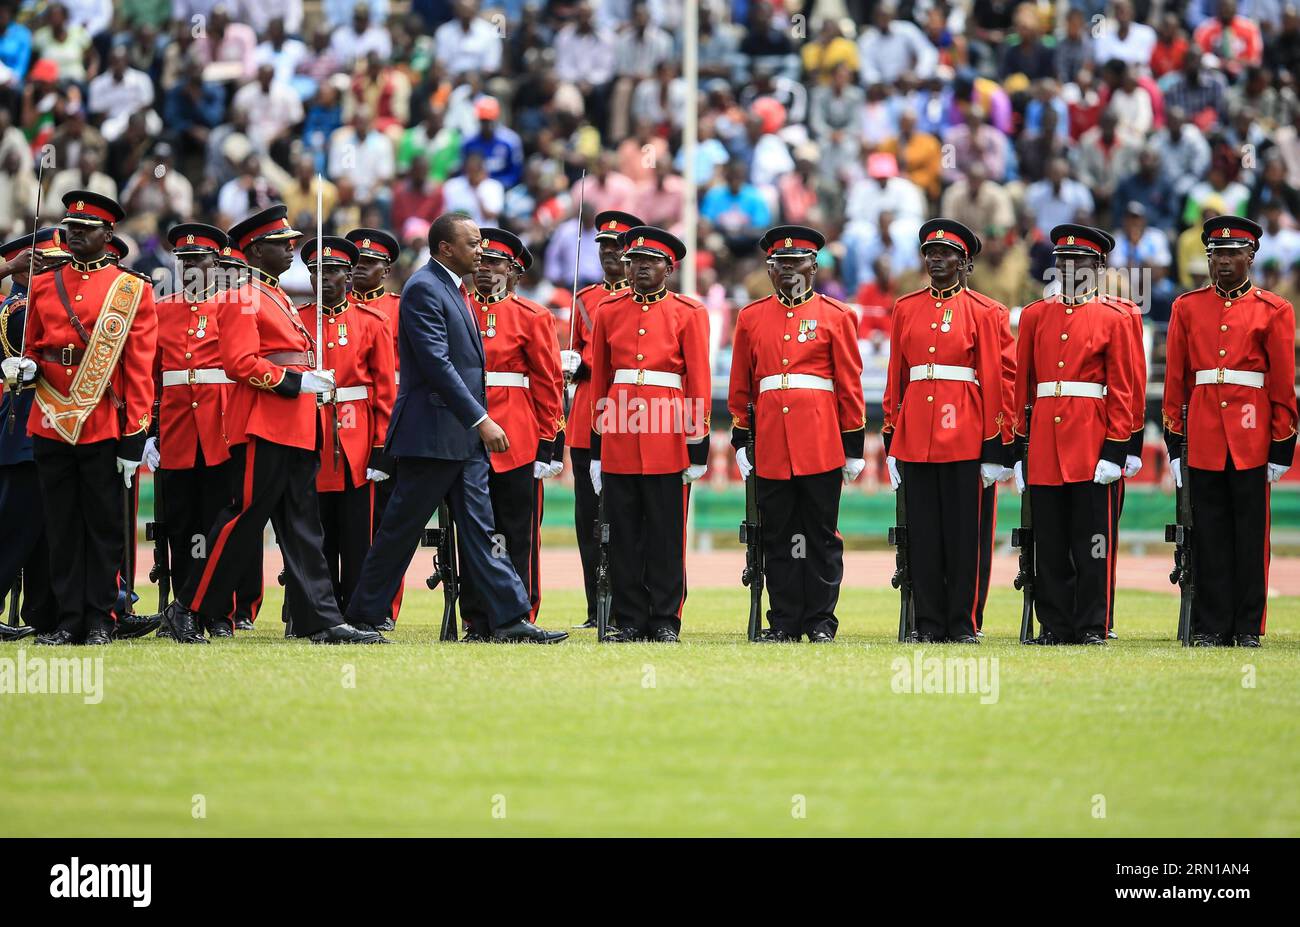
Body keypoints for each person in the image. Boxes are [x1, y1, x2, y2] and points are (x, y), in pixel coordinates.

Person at [156, 204, 386, 645]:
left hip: (295, 424)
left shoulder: (275, 293)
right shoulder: (242, 296)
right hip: (265, 423)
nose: (292, 249)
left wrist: (305, 384)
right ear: (257, 251)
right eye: (283, 244)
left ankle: (320, 617)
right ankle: (185, 607)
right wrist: (296, 382)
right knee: (240, 519)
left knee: (302, 527)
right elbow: (239, 362)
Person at [344, 212, 567, 644]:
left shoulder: (450, 288)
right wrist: (481, 420)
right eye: (472, 243)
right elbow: (436, 364)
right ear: (446, 248)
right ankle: (363, 615)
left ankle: (509, 618)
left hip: (458, 439)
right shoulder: (425, 288)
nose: (480, 251)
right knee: (401, 530)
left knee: (481, 532)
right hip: (432, 436)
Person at [3, 192, 159, 646]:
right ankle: (68, 619)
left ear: (107, 235)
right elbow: (33, 347)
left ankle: (100, 619)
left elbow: (138, 368)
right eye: (70, 226)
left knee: (103, 525)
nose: (75, 234)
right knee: (61, 525)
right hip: (50, 415)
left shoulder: (132, 289)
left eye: (86, 228)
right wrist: (26, 367)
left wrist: (134, 438)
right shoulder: (43, 284)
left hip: (101, 418)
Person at [1163, 216, 1297, 647]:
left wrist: (1281, 445)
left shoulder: (1274, 310)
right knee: (1210, 534)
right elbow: (1177, 382)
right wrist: (1174, 441)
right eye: (1215, 254)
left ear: (1250, 256)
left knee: (1250, 535)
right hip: (1202, 436)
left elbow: (1282, 383)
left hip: (1251, 436)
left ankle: (1246, 626)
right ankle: (1211, 624)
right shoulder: (1187, 307)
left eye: (1231, 254)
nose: (1222, 262)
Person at [728, 225, 866, 643]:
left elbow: (849, 384)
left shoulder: (836, 316)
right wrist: (740, 438)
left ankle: (821, 621)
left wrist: (853, 446)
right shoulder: (751, 318)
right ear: (770, 269)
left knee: (819, 537)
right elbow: (741, 385)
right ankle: (784, 621)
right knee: (780, 538)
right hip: (771, 445)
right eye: (780, 264)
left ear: (814, 265)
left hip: (820, 445)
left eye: (796, 262)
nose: (788, 270)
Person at [882, 220, 1011, 644]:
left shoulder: (986, 312)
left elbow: (996, 378)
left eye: (946, 253)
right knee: (924, 534)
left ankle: (963, 621)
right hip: (916, 434)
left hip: (967, 435)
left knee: (965, 535)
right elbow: (897, 377)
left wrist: (996, 445)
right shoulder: (906, 307)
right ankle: (928, 621)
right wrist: (891, 436)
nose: (936, 259)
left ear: (965, 261)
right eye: (930, 253)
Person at [1011, 224, 1137, 646]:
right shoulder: (1034, 316)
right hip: (1046, 440)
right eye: (1062, 261)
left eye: (1078, 261)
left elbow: (1123, 388)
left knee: (1093, 542)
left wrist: (1116, 449)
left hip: (1091, 438)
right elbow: (1023, 389)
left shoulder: (1117, 316)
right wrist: (1019, 450)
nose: (1068, 268)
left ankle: (1091, 624)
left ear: (1097, 266)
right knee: (1049, 541)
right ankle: (1056, 624)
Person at [588, 226, 710, 643]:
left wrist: (697, 445)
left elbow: (698, 380)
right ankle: (629, 619)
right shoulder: (608, 309)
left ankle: (663, 619)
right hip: (620, 430)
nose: (639, 268)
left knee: (664, 533)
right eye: (634, 262)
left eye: (649, 262)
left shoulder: (689, 313)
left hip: (666, 431)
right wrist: (598, 448)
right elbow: (601, 379)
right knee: (623, 533)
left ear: (668, 268)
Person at [145, 223, 264, 637]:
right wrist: (149, 430)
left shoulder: (235, 305)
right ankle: (183, 609)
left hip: (222, 429)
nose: (191, 265)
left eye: (200, 259)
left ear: (217, 263)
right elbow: (153, 375)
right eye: (184, 260)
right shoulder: (164, 308)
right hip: (177, 431)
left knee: (219, 525)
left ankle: (219, 613)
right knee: (182, 525)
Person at [462, 227, 563, 638]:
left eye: (496, 263)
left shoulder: (533, 316)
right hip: (466, 436)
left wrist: (547, 442)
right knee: (472, 532)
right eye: (481, 261)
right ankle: (477, 617)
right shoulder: (457, 308)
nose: (486, 270)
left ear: (515, 272)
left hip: (517, 438)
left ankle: (520, 612)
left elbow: (548, 383)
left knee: (515, 532)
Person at [295, 235, 396, 617]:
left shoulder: (372, 321)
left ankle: (359, 611)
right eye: (317, 271)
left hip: (355, 438)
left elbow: (385, 390)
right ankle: (312, 612)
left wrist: (381, 446)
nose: (325, 278)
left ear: (349, 275)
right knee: (312, 533)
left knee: (358, 536)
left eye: (334, 271)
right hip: (309, 435)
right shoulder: (297, 318)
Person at [560, 209, 639, 630]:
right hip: (587, 413)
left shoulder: (642, 299)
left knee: (625, 514)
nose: (610, 255)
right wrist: (569, 363)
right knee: (589, 518)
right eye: (605, 248)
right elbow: (570, 359)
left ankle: (628, 604)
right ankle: (596, 607)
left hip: (627, 412)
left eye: (618, 248)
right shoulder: (585, 300)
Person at [0, 227, 69, 641]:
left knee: (46, 531)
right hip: (24, 431)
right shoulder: (22, 309)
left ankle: (47, 612)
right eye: (52, 264)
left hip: (40, 433)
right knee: (15, 529)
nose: (62, 272)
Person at [344, 226, 403, 626]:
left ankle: (383, 606)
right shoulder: (330, 307)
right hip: (346, 421)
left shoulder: (402, 306)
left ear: (386, 270)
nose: (361, 270)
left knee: (387, 519)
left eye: (370, 264)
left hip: (394, 419)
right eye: (356, 262)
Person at [1096, 226, 1149, 639]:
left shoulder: (1123, 315)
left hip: (1106, 434)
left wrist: (1129, 444)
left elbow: (1130, 382)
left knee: (1100, 534)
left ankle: (1100, 617)